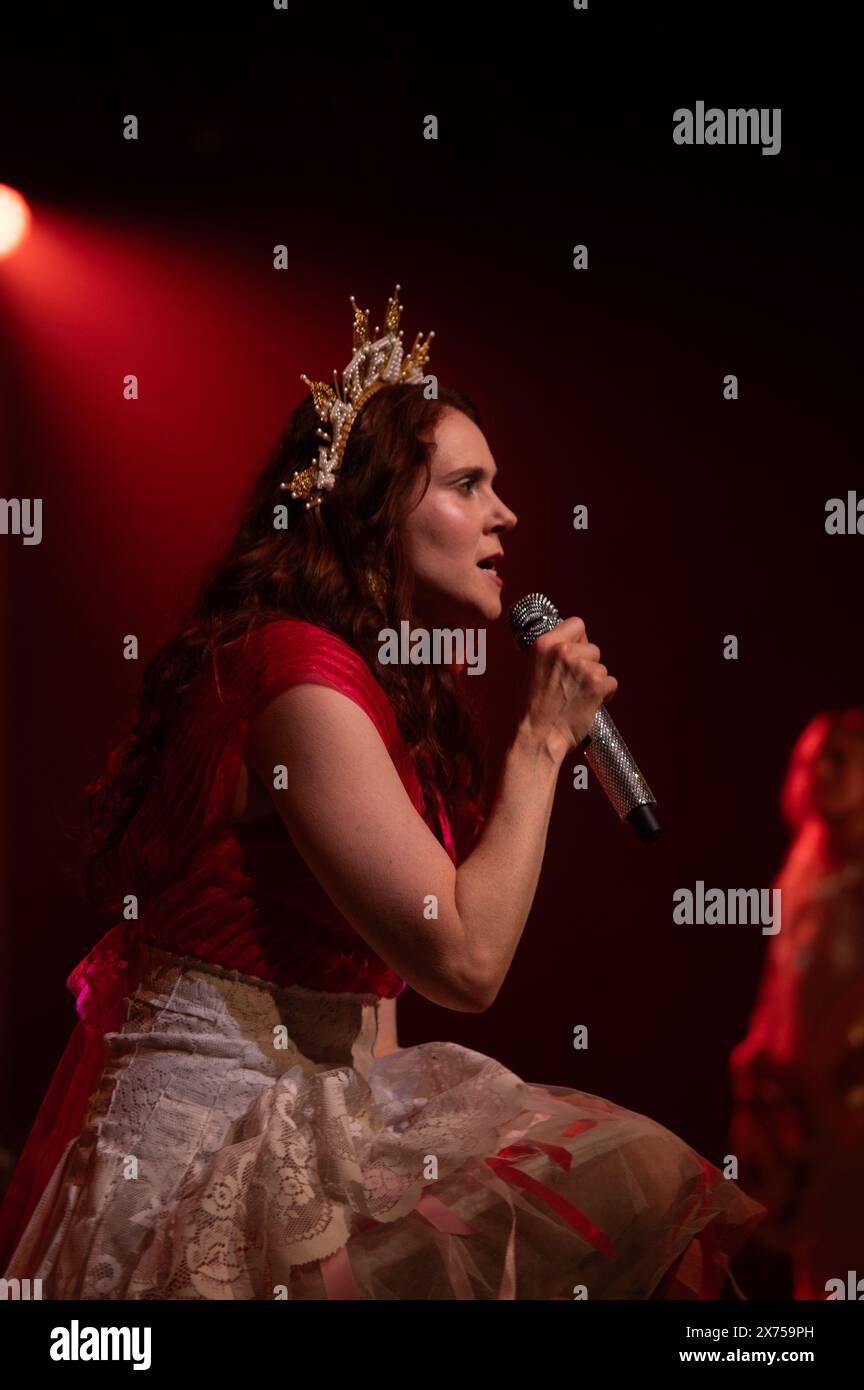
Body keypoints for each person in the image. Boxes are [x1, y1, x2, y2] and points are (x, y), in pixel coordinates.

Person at [0, 285, 764, 1300]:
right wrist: (543, 736)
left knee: (642, 1226)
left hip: (317, 1128)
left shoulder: (376, 683)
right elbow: (465, 957)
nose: (507, 512)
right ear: (374, 503)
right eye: (468, 482)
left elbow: (374, 998)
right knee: (638, 1185)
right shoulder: (294, 675)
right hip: (206, 1164)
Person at [729, 710, 864, 1300]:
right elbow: (779, 989)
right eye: (814, 759)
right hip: (807, 1130)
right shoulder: (801, 871)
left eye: (842, 757)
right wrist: (756, 1055)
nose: (822, 772)